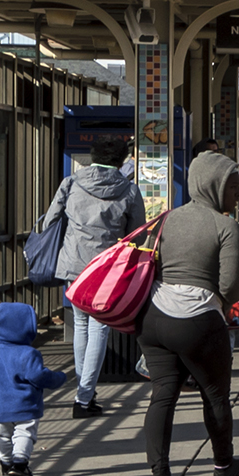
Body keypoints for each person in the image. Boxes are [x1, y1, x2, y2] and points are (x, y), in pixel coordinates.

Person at [139, 151, 239, 476]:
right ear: (213, 186)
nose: (238, 194)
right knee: (215, 396)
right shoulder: (225, 226)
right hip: (198, 320)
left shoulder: (164, 220)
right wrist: (215, 303)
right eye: (232, 187)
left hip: (153, 319)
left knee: (162, 396)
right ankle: (225, 467)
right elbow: (231, 287)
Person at [44, 142, 148, 417]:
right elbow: (138, 235)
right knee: (99, 328)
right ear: (122, 161)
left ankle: (85, 392)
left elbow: (49, 221)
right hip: (106, 270)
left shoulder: (71, 183)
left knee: (80, 324)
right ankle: (83, 397)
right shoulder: (129, 189)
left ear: (93, 158)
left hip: (74, 266)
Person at [0, 299, 51, 476]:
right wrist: (57, 378)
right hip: (25, 402)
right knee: (25, 430)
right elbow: (37, 376)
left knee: (4, 433)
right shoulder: (29, 353)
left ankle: (5, 461)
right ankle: (20, 462)